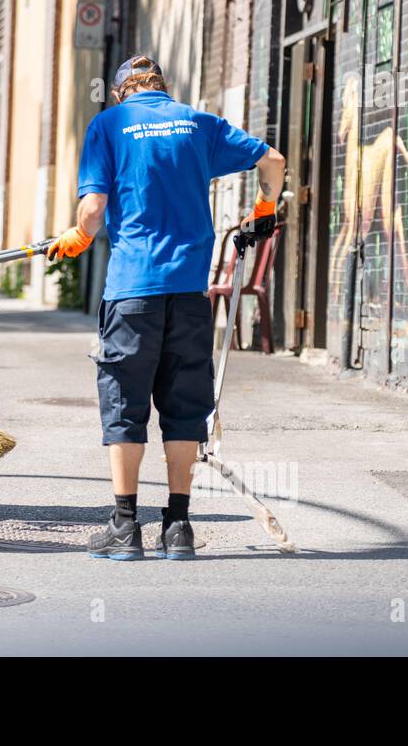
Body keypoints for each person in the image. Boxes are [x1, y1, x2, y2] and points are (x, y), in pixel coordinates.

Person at [48, 56, 284, 560]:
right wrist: (264, 211)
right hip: (190, 292)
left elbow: (92, 212)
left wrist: (77, 237)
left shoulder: (108, 126)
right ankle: (178, 526)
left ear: (119, 94)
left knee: (125, 406)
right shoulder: (199, 123)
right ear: (163, 89)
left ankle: (124, 525)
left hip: (133, 289)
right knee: (185, 408)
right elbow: (274, 161)